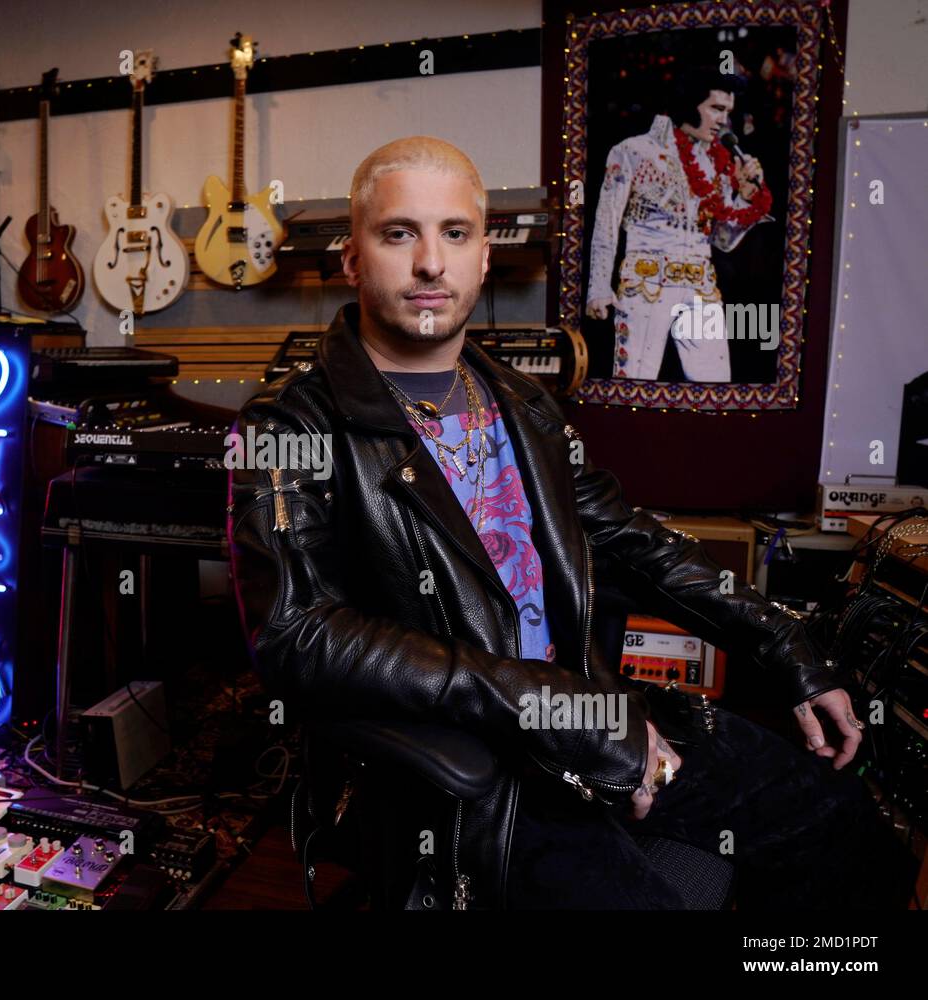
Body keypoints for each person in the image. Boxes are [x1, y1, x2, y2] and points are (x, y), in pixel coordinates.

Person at [226, 135, 915, 909]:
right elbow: (297, 635)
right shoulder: (286, 425)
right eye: (398, 234)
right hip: (473, 776)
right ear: (352, 260)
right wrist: (566, 714)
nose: (429, 264)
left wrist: (785, 644)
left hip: (597, 712)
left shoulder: (523, 404)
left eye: (454, 233)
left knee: (853, 840)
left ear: (485, 257)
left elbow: (631, 537)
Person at [585, 69, 774, 382]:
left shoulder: (717, 163)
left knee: (715, 386)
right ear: (689, 104)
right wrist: (599, 286)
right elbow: (606, 221)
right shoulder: (633, 151)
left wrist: (744, 197)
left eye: (728, 112)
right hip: (646, 284)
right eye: (716, 108)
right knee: (634, 383)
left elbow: (723, 241)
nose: (724, 121)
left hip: (701, 287)